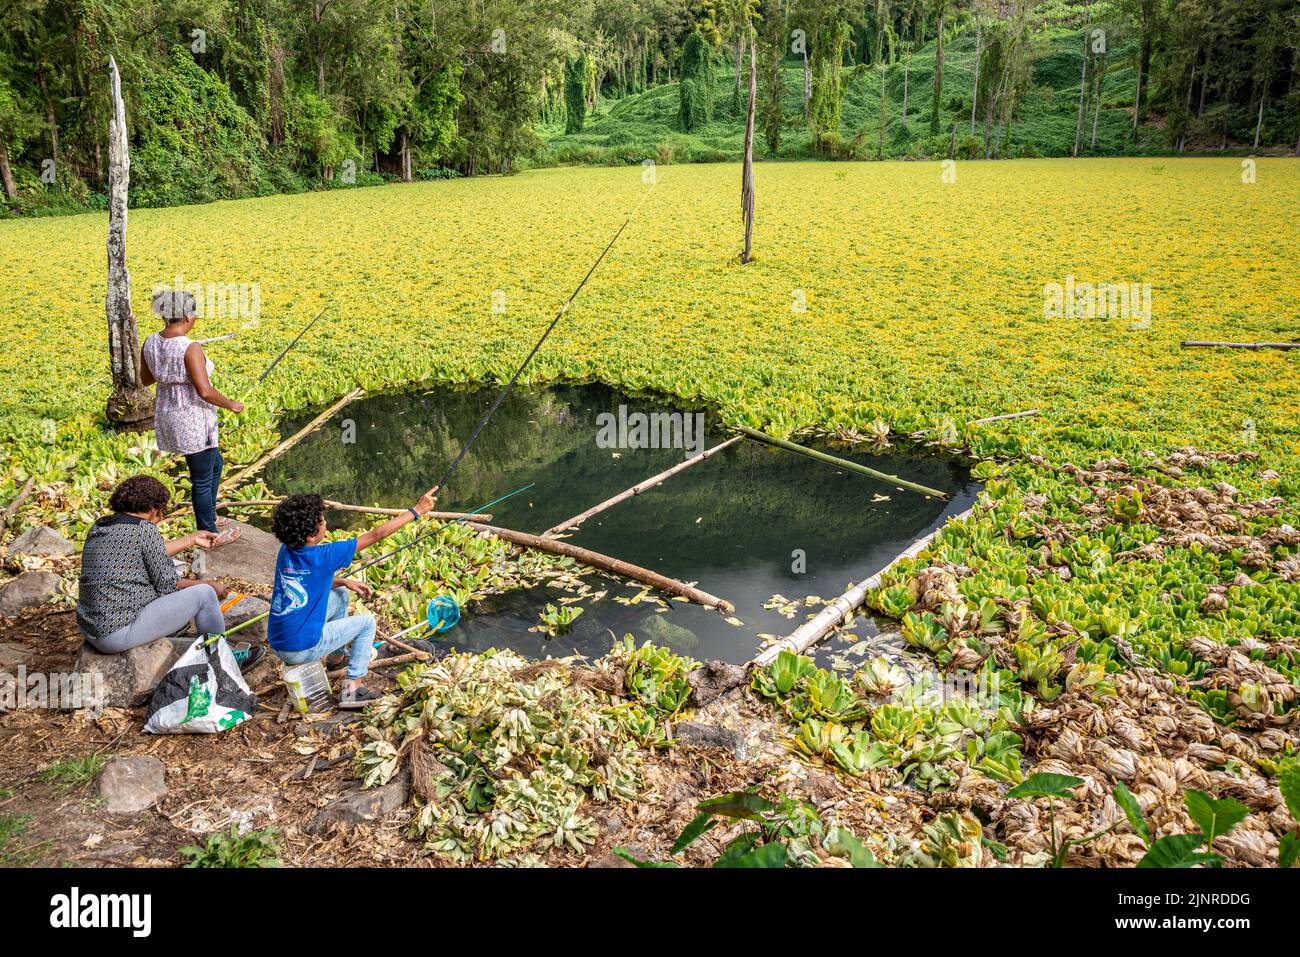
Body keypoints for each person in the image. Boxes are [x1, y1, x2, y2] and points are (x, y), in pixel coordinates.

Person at [268, 487, 438, 709]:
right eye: (322, 521)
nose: (325, 523)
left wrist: (344, 581)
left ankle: (336, 659)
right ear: (311, 536)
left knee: (339, 594)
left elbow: (306, 582)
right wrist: (416, 510)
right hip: (300, 648)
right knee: (367, 624)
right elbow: (378, 534)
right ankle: (352, 691)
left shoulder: (287, 550)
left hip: (279, 641)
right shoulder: (325, 556)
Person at [77, 476, 264, 670]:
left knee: (173, 566)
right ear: (151, 510)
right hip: (116, 633)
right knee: (205, 595)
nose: (160, 519)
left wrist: (191, 539)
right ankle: (222, 660)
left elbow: (147, 553)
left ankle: (181, 635)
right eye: (161, 513)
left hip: (92, 627)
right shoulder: (144, 529)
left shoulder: (103, 525)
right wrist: (209, 586)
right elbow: (169, 585)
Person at [140, 289, 243, 543]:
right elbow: (205, 391)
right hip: (193, 419)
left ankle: (208, 515)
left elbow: (145, 379)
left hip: (169, 415)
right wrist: (232, 404)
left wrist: (168, 372)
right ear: (187, 316)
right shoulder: (190, 347)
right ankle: (208, 533)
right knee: (201, 478)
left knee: (215, 464)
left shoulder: (151, 341)